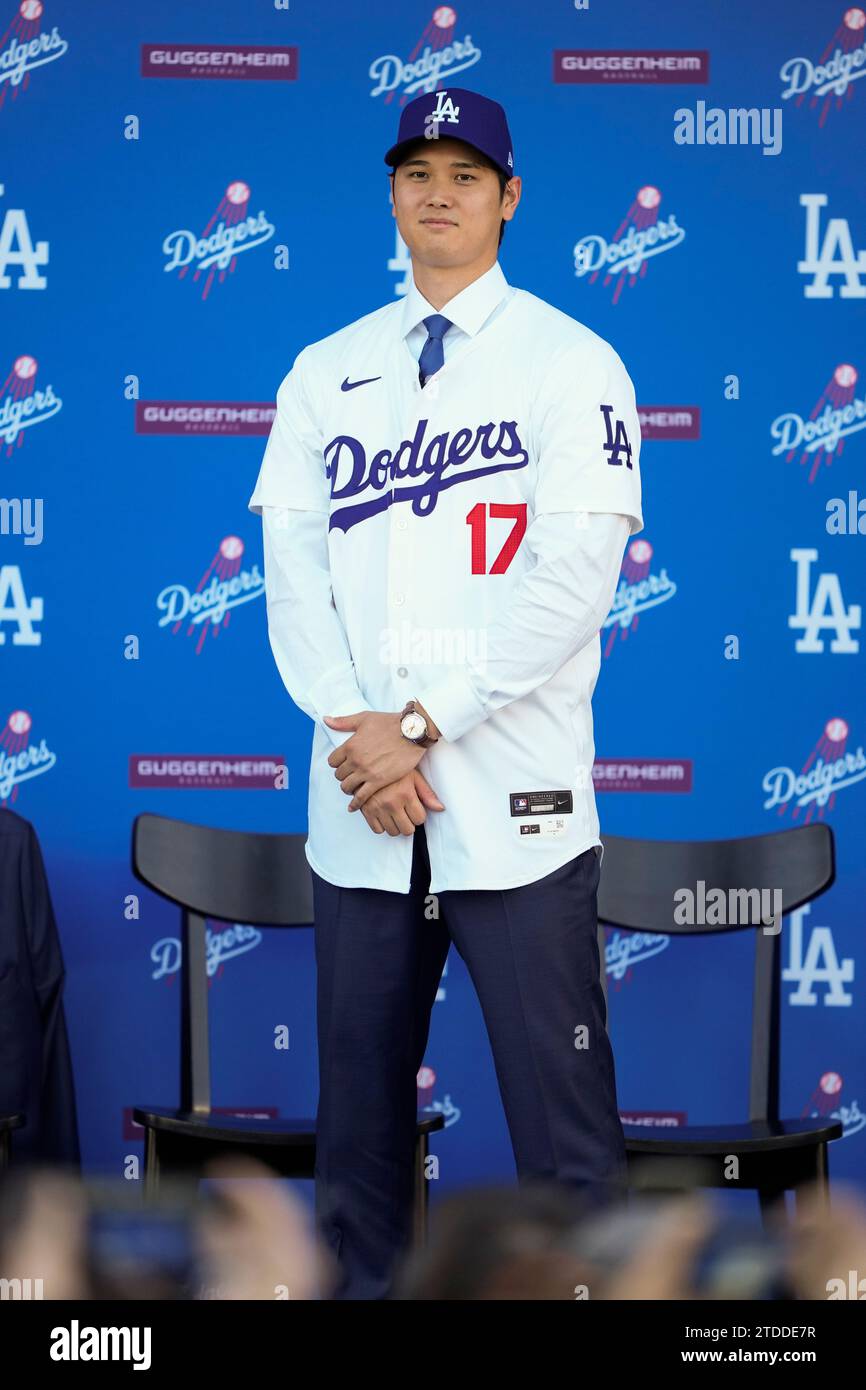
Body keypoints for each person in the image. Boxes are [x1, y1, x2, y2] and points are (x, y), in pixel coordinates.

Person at [247, 86, 643, 1300]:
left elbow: (571, 580)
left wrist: (421, 722)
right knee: (357, 1148)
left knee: (567, 1144)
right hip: (366, 813)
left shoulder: (573, 363)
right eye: (417, 171)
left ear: (509, 197)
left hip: (511, 809)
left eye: (465, 174)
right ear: (390, 193)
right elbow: (294, 574)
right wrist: (357, 732)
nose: (438, 192)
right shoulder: (328, 369)